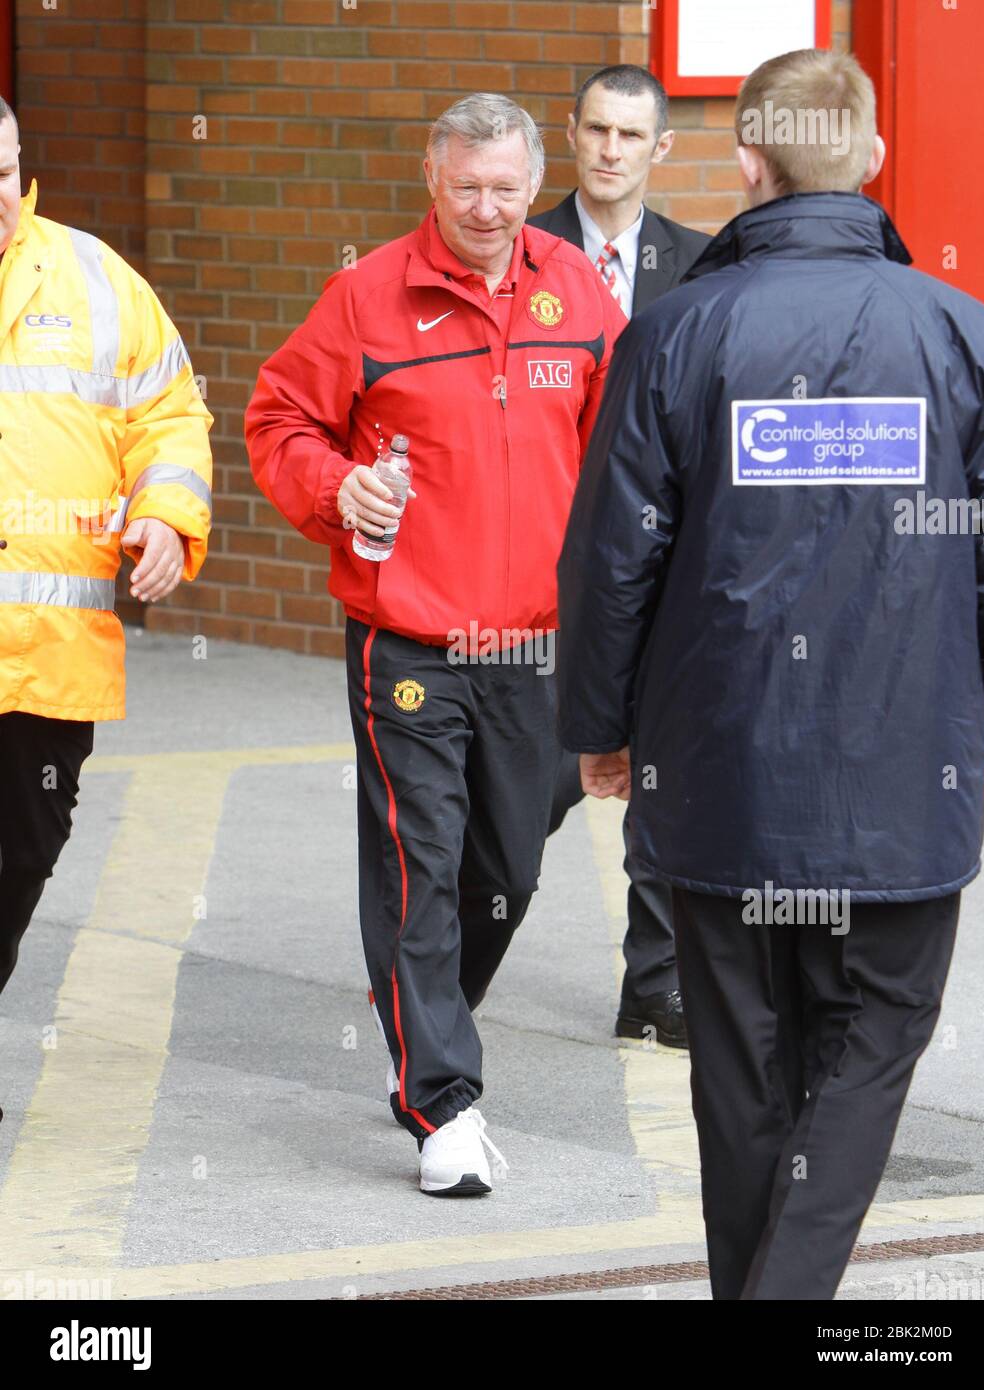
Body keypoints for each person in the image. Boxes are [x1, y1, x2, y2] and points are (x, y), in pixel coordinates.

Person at [555, 47, 984, 1299]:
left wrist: (600, 721)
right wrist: (981, 731)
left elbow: (610, 559)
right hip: (906, 782)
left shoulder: (675, 331)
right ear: (870, 158)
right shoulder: (968, 338)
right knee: (870, 1047)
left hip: (722, 782)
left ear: (745, 160)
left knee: (742, 1067)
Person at [246, 93, 626, 1196]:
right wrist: (338, 484)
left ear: (533, 180)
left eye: (507, 188)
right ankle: (443, 1106)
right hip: (406, 640)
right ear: (430, 172)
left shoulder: (578, 290)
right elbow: (278, 421)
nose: (487, 209)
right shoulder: (366, 296)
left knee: (504, 865)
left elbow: (623, 452)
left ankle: (420, 1012)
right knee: (421, 866)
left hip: (537, 650)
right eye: (466, 187)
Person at [0, 99, 214, 1116]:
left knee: (24, 851)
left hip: (50, 656)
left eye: (3, 172)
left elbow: (169, 413)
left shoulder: (92, 279)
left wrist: (169, 516)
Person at [531, 64, 711, 1050]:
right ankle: (462, 929)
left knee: (666, 777)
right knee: (537, 788)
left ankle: (657, 981)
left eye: (630, 136)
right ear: (572, 134)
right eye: (596, 130)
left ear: (660, 149)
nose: (609, 151)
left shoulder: (703, 261)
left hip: (662, 566)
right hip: (534, 571)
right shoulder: (521, 249)